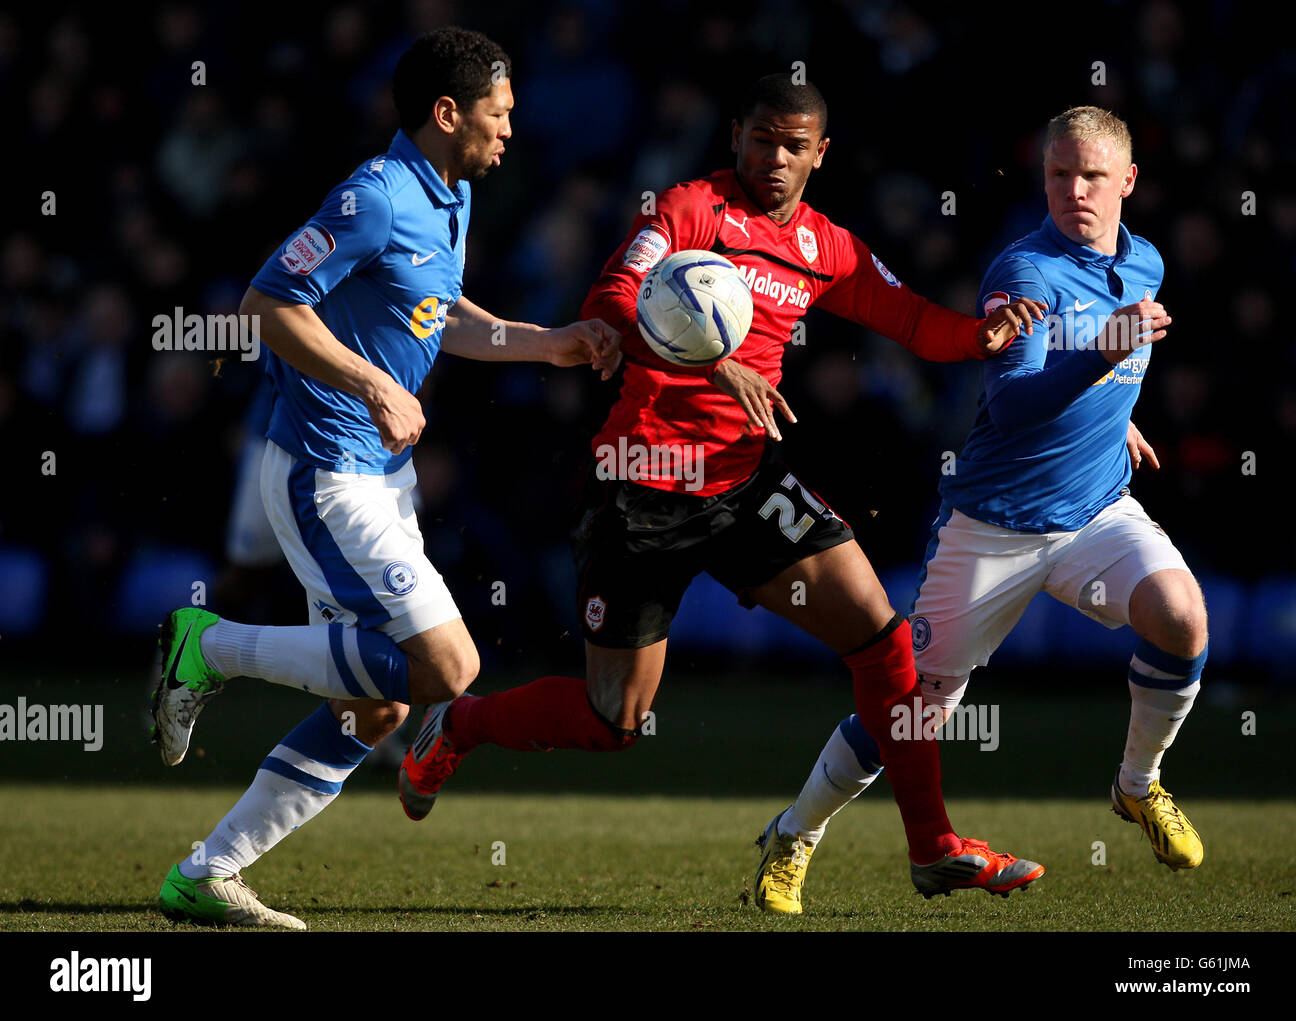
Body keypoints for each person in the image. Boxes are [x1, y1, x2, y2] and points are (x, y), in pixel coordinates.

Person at [399, 73, 1048, 901]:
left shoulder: (824, 246)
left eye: (793, 145)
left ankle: (934, 845)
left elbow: (912, 320)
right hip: (640, 487)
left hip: (745, 484)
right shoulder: (686, 210)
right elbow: (611, 301)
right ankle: (457, 724)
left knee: (885, 645)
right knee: (613, 723)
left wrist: (980, 336)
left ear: (821, 153)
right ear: (736, 134)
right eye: (761, 139)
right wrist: (713, 359)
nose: (774, 158)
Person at [149, 27, 620, 929]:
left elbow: (439, 314)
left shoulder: (449, 195)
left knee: (372, 706)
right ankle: (207, 646)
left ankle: (207, 874)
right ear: (448, 114)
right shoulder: (373, 195)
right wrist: (371, 383)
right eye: (500, 113)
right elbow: (265, 305)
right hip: (325, 473)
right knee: (448, 665)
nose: (512, 130)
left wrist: (547, 344)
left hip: (377, 475)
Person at [753, 105, 1206, 914]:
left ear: (1128, 181)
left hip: (1098, 509)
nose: (1075, 190)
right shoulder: (1024, 272)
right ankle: (793, 833)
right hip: (994, 526)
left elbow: (1092, 378)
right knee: (912, 711)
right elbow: (1020, 402)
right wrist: (1102, 354)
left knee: (1182, 617)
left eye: (1093, 176)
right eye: (1059, 174)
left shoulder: (1148, 266)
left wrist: (1115, 411)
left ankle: (1138, 784)